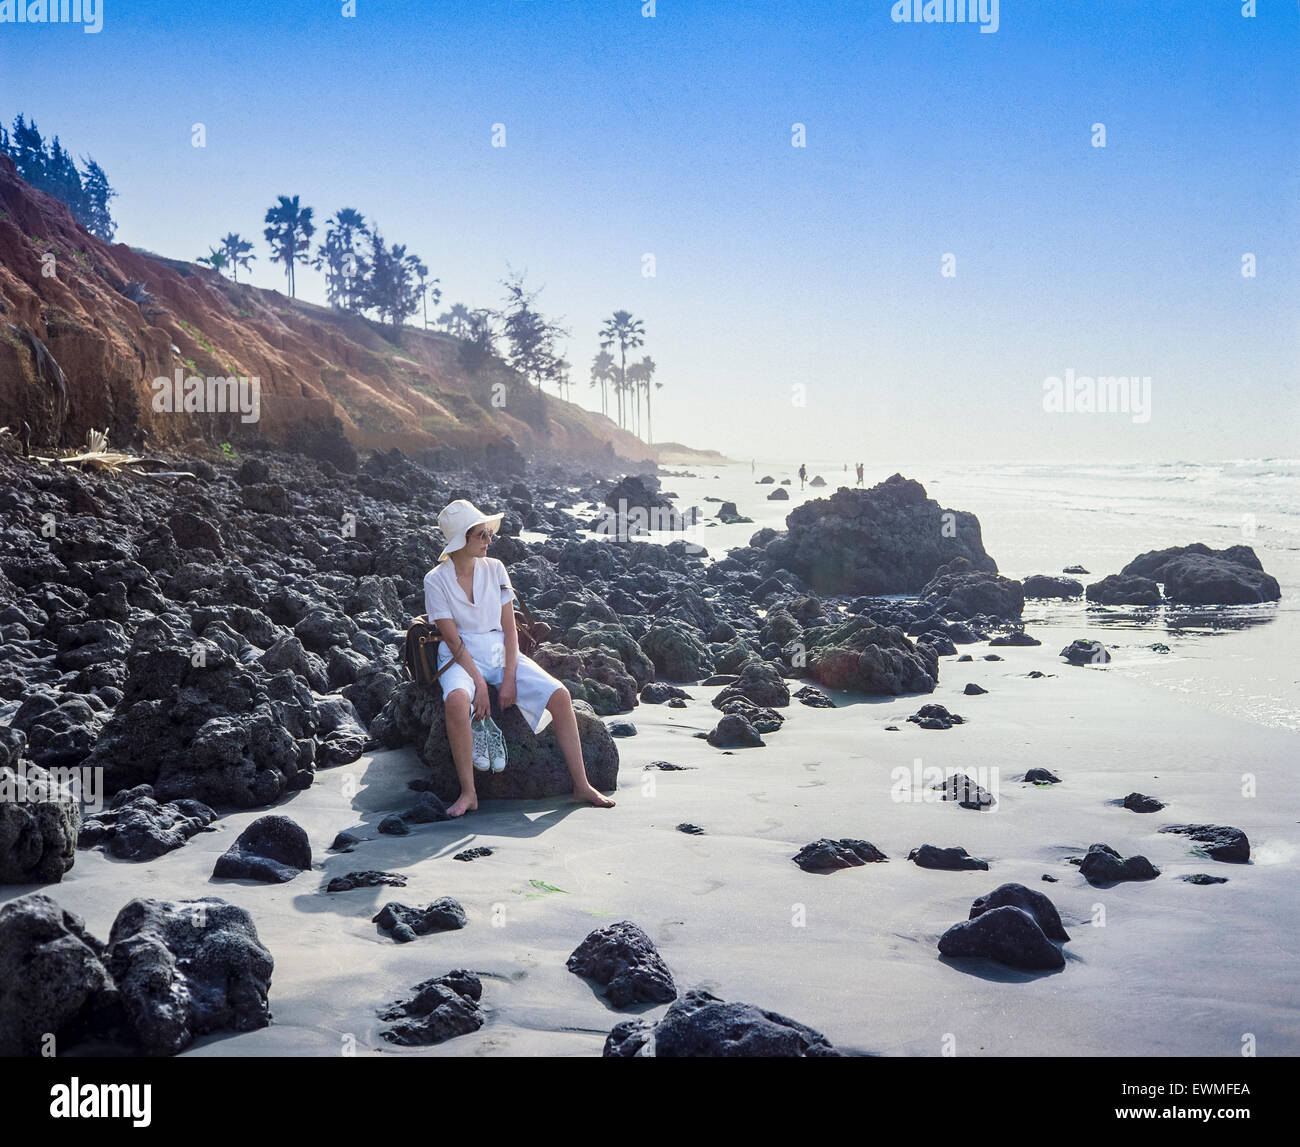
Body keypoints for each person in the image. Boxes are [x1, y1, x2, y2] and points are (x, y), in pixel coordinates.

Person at [424, 499, 616, 816]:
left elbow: (510, 630)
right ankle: (469, 792)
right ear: (461, 539)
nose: (489, 539)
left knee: (560, 694)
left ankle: (581, 785)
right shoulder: (435, 579)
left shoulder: (496, 568)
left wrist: (509, 677)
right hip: (459, 654)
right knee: (457, 701)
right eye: (481, 534)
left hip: (498, 647)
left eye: (489, 533)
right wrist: (480, 686)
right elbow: (452, 638)